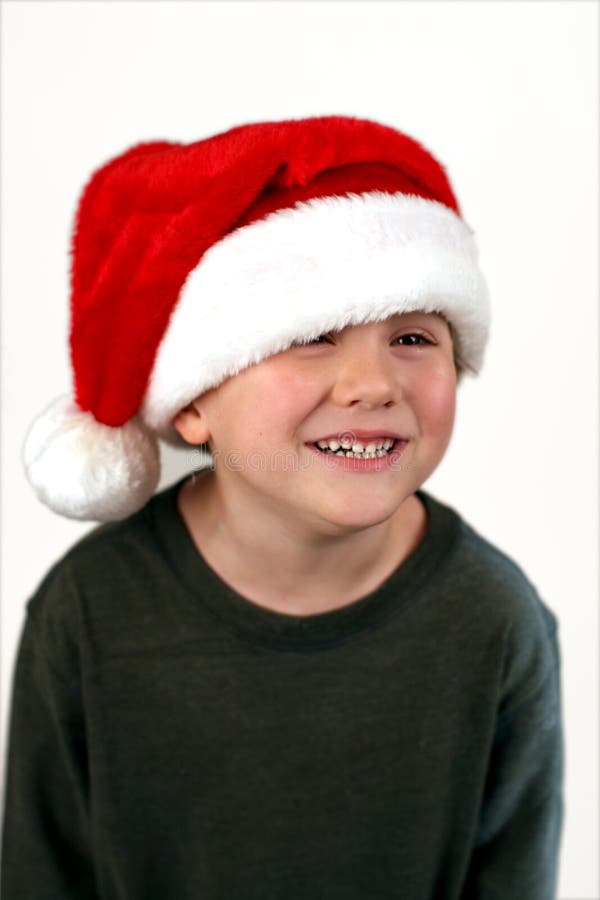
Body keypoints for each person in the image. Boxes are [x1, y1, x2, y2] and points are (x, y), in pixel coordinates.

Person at [1, 115, 564, 899]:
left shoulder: (494, 620)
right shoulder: (90, 613)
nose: (373, 383)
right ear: (192, 404)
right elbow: (40, 873)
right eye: (314, 336)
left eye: (413, 338)